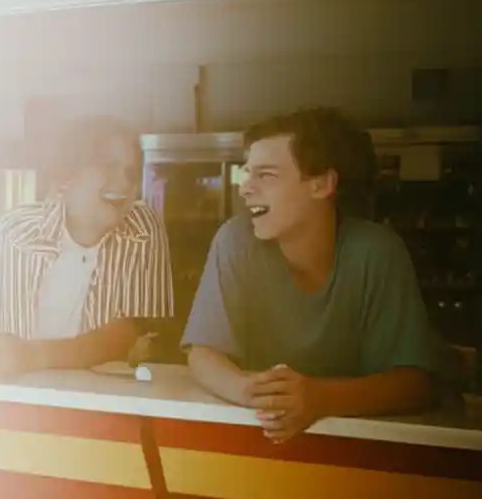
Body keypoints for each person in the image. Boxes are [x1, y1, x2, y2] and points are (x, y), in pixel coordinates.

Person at [182, 107, 444, 443]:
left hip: (360, 454)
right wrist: (248, 391)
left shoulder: (377, 251)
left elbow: (414, 384)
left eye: (266, 175)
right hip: (257, 443)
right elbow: (202, 354)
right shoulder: (235, 240)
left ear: (321, 185)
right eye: (247, 173)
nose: (245, 188)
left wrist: (318, 398)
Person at [0, 114, 174, 375]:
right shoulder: (16, 229)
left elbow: (129, 333)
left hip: (101, 405)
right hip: (16, 401)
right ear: (66, 176)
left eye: (131, 171)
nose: (126, 181)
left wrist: (34, 356)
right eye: (108, 165)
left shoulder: (143, 227)